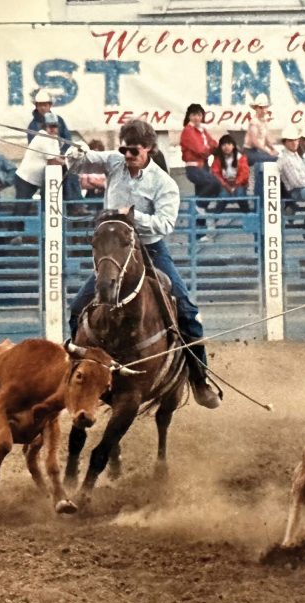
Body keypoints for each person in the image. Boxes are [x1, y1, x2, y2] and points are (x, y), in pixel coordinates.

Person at [66, 119, 221, 409]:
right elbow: (80, 164)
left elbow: (164, 224)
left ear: (149, 148)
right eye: (123, 149)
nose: (127, 155)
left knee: (187, 311)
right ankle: (74, 371)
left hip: (149, 249)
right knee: (77, 308)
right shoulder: (114, 162)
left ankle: (199, 379)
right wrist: (75, 151)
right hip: (115, 251)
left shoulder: (164, 184)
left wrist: (132, 217)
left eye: (133, 151)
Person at [26, 88, 84, 211]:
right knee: (48, 191)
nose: (42, 108)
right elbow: (36, 148)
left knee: (71, 173)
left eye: (45, 104)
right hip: (45, 164)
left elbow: (67, 139)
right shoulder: (32, 126)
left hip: (60, 160)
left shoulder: (59, 120)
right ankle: (52, 210)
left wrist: (63, 154)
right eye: (40, 105)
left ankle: (76, 205)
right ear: (36, 106)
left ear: (50, 105)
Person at [15, 113, 65, 204]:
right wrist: (68, 163)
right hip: (25, 179)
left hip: (36, 180)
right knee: (21, 208)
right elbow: (53, 160)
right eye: (50, 126)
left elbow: (57, 157)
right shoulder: (43, 137)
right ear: (44, 127)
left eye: (55, 126)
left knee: (27, 208)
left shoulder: (54, 139)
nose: (52, 129)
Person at [179, 103, 222, 202]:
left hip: (204, 166)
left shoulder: (202, 130)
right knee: (216, 183)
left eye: (199, 115)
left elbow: (214, 144)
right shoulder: (188, 131)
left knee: (202, 192)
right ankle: (197, 206)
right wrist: (211, 149)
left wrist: (215, 148)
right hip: (194, 168)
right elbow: (200, 150)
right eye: (193, 115)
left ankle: (199, 213)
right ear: (189, 116)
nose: (196, 118)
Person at [243, 93, 279, 191]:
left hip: (258, 151)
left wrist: (273, 149)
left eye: (265, 107)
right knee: (273, 159)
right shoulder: (254, 122)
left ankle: (268, 187)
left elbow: (266, 139)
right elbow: (255, 142)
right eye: (261, 107)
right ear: (256, 108)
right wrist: (268, 152)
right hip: (250, 152)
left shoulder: (263, 121)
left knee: (277, 157)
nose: (263, 110)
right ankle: (259, 188)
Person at [210, 133, 250, 213]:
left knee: (240, 196)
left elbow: (244, 174)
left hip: (239, 184)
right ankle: (212, 221)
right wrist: (226, 185)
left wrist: (235, 185)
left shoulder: (241, 158)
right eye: (223, 145)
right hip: (225, 185)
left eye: (229, 144)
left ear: (233, 146)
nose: (226, 147)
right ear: (220, 147)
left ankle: (249, 217)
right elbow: (215, 173)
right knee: (222, 197)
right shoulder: (218, 160)